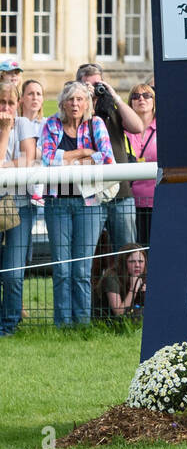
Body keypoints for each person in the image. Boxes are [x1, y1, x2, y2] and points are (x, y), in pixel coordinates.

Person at [40, 82, 116, 327]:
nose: (75, 104)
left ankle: (82, 324)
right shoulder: (52, 124)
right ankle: (63, 325)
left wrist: (67, 159)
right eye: (70, 100)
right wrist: (83, 151)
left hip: (89, 204)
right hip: (58, 203)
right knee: (62, 270)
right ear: (62, 103)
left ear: (87, 103)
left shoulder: (96, 125)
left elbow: (105, 157)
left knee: (82, 270)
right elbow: (48, 159)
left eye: (80, 99)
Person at [76, 62, 141, 250]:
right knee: (86, 252)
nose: (94, 89)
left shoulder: (111, 107)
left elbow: (136, 126)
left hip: (120, 193)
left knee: (127, 252)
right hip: (90, 194)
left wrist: (114, 96)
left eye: (97, 84)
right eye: (87, 84)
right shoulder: (74, 109)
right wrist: (83, 98)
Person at [0, 83, 38, 336]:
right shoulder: (8, 127)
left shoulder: (24, 124)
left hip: (19, 204)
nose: (5, 108)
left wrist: (6, 164)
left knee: (13, 272)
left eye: (10, 103)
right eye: (1, 103)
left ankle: (9, 326)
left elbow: (29, 159)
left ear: (18, 104)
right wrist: (4, 132)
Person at [123, 83, 158, 246]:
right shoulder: (122, 130)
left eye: (146, 95)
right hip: (129, 202)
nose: (141, 99)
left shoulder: (163, 128)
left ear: (154, 101)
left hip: (156, 200)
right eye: (135, 96)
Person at [98, 243, 147, 317]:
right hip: (108, 322)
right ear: (123, 262)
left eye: (140, 261)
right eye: (132, 261)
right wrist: (133, 289)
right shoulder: (112, 277)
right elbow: (119, 313)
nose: (137, 265)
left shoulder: (144, 276)